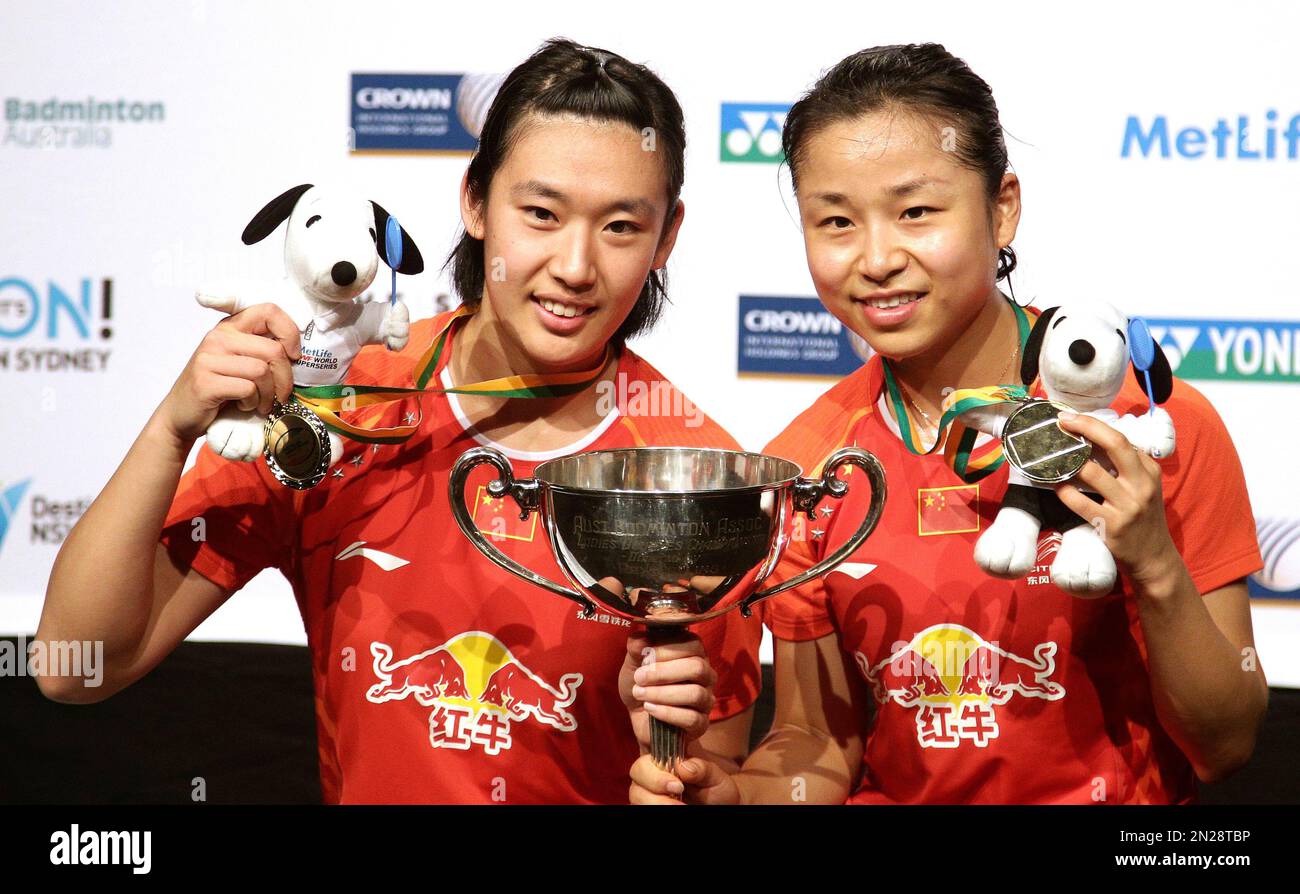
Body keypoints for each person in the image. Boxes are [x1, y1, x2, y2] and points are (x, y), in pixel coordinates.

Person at [37, 38, 760, 804]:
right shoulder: (335, 402)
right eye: (541, 214)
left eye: (620, 227)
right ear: (475, 203)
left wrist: (680, 773)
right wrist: (170, 430)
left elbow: (713, 777)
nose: (576, 266)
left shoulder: (697, 479)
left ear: (666, 238)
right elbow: (74, 667)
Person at [626, 43, 1266, 804]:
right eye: (835, 221)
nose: (877, 257)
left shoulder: (1153, 423)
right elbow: (817, 740)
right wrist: (732, 797)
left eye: (915, 212)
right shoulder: (806, 466)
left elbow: (1226, 745)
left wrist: (1153, 563)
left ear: (1002, 208)